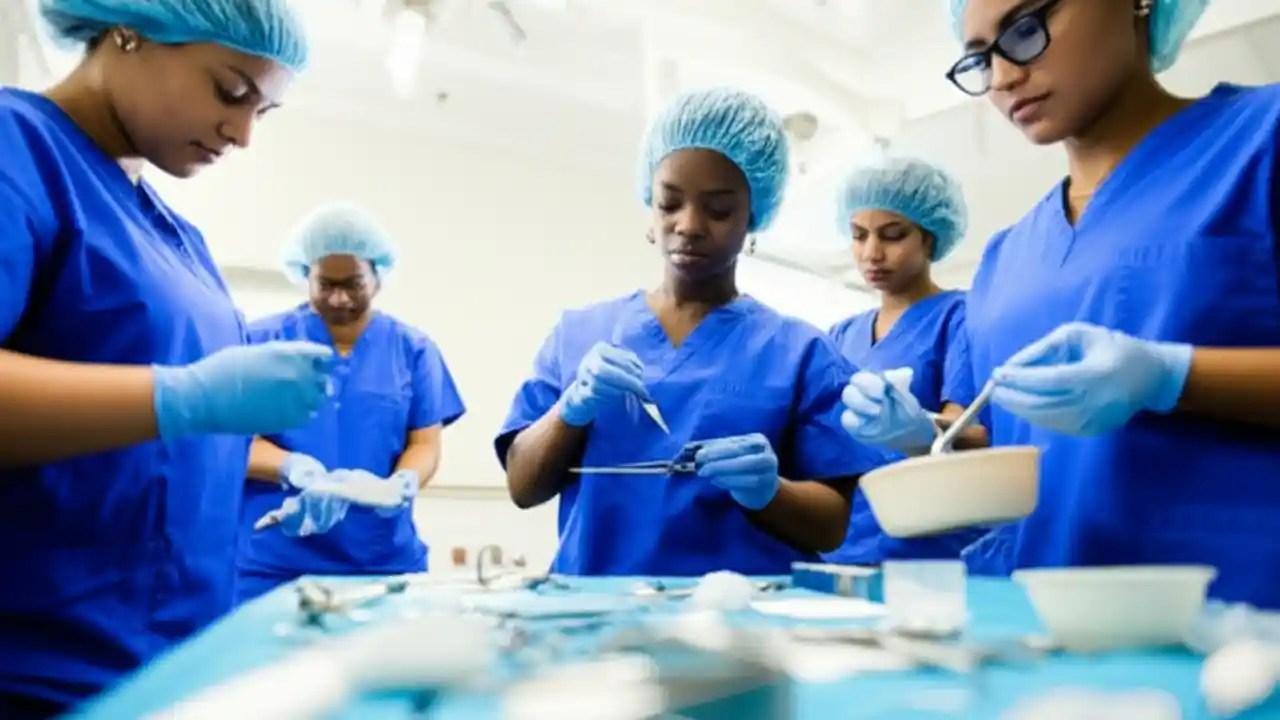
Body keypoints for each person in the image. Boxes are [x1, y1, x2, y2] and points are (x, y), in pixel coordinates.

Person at [0, 0, 329, 715]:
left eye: (262, 113)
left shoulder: (182, 240)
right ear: (130, 30)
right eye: (230, 91)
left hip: (178, 659)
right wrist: (185, 396)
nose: (241, 134)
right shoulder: (17, 149)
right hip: (37, 669)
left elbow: (165, 433)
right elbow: (177, 398)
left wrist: (288, 469)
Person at [942, 0, 1280, 606]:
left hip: (1243, 643)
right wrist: (925, 436)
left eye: (1024, 30)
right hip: (1045, 648)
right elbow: (1026, 448)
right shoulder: (1003, 260)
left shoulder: (1262, 141)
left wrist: (1173, 377)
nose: (1002, 77)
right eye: (979, 58)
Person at [495, 87, 889, 577]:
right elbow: (522, 487)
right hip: (597, 620)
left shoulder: (800, 352)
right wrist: (568, 410)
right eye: (670, 204)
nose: (689, 225)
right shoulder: (580, 334)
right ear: (650, 206)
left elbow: (831, 525)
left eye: (719, 210)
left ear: (754, 219)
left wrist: (770, 492)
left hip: (739, 623)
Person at [235, 205, 466, 603]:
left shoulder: (413, 350)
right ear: (305, 276)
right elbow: (235, 441)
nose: (339, 298)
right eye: (325, 284)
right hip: (274, 559)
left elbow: (424, 444)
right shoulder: (260, 342)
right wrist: (295, 469)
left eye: (354, 284)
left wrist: (402, 484)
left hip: (382, 556)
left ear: (378, 277)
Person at [825, 154, 988, 565]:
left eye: (892, 235)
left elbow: (974, 432)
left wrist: (917, 429)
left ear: (929, 239)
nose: (871, 253)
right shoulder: (839, 335)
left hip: (928, 551)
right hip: (845, 546)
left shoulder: (960, 316)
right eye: (859, 235)